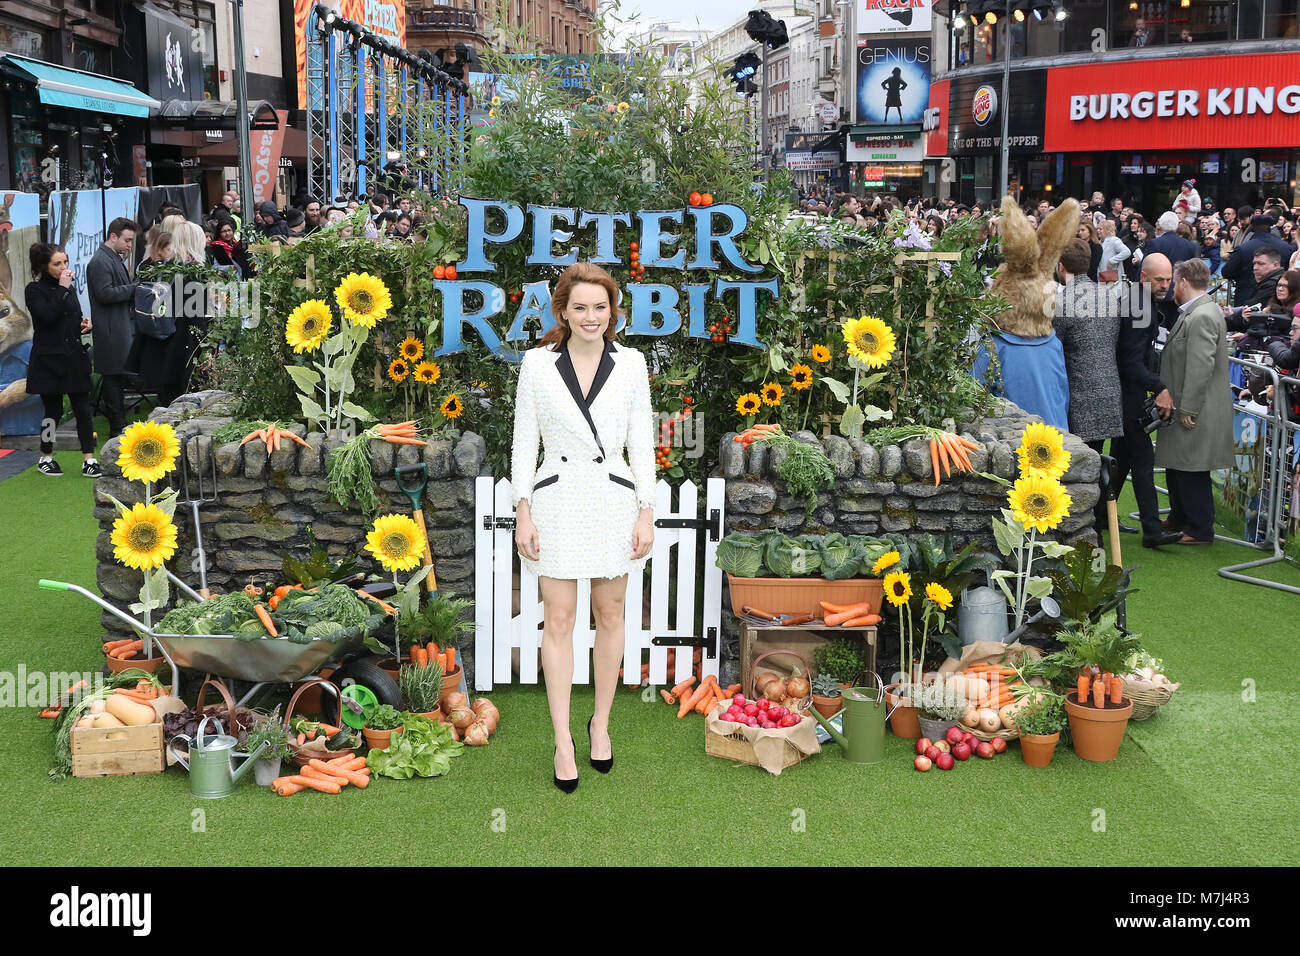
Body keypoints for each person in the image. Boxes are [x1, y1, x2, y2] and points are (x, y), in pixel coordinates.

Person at [510, 262, 655, 793]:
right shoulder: (537, 364)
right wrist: (522, 508)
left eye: (601, 307)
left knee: (611, 612)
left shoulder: (633, 363)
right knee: (560, 619)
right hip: (556, 499)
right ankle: (563, 739)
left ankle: (600, 724)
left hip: (613, 499)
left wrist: (646, 508)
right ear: (563, 311)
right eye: (580, 307)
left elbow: (642, 441)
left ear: (613, 311)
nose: (591, 316)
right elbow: (524, 442)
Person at [1155, 258, 1234, 545]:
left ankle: (1199, 528)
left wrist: (1189, 407)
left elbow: (1200, 366)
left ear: (1183, 282)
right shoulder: (1201, 312)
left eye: (1175, 282)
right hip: (1188, 403)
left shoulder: (1201, 316)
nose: (1173, 288)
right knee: (1179, 466)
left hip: (1194, 407)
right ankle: (1180, 517)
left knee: (1191, 468)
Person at [1053, 239, 1124, 534]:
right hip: (1108, 387)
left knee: (1079, 465)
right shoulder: (1110, 297)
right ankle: (1102, 517)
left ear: (1061, 267)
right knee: (1097, 458)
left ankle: (1083, 524)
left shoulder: (1063, 302)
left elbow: (1053, 346)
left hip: (1078, 391)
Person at [1115, 253, 1181, 546]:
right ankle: (1152, 530)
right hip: (1129, 393)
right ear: (1144, 277)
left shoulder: (1139, 300)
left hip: (1127, 391)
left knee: (1122, 457)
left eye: (1168, 279)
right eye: (1159, 279)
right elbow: (1130, 361)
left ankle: (1102, 515)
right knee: (1142, 459)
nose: (1165, 285)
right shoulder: (1140, 306)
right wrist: (1159, 387)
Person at [25, 243, 99, 477]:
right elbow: (47, 317)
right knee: (52, 412)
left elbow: (66, 320)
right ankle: (46, 456)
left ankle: (89, 458)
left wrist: (82, 327)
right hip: (49, 360)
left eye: (65, 262)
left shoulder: (68, 289)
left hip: (73, 357)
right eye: (57, 264)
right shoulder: (34, 290)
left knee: (82, 408)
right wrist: (63, 289)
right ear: (44, 267)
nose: (64, 267)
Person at [129, 220, 209, 407]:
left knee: (168, 402)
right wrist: (206, 347)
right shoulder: (192, 273)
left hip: (163, 346)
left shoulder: (166, 268)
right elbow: (196, 317)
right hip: (184, 349)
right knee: (185, 403)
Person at [87, 216, 138, 438]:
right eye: (127, 240)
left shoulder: (111, 258)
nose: (129, 245)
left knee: (115, 378)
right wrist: (135, 289)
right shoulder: (100, 261)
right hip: (110, 330)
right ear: (113, 236)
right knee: (112, 378)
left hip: (116, 327)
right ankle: (117, 426)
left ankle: (119, 425)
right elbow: (104, 294)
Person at [1222, 215, 1293, 306]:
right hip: (1277, 299)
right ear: (1270, 227)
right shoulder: (1285, 247)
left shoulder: (1243, 248)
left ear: (1252, 228)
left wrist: (1243, 277)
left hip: (1246, 298)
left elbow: (1227, 272)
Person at [1097, 218, 1131, 283]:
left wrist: (1112, 261)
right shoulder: (1100, 242)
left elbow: (1126, 252)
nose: (1098, 231)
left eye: (1100, 229)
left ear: (1107, 230)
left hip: (1113, 274)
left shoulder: (1114, 240)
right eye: (1097, 229)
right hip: (1102, 275)